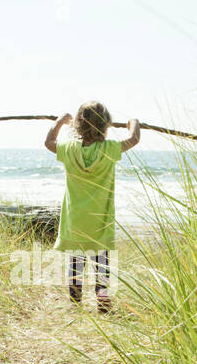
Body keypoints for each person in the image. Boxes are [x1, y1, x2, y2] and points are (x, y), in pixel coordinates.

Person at [44, 101, 140, 314]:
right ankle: (102, 297)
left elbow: (49, 142)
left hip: (75, 219)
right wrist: (133, 123)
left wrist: (59, 122)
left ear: (77, 126)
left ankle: (75, 305)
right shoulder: (110, 149)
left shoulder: (69, 149)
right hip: (100, 219)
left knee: (75, 263)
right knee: (102, 265)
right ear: (105, 126)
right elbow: (134, 139)